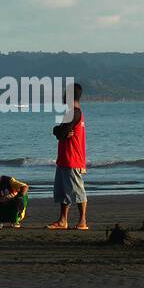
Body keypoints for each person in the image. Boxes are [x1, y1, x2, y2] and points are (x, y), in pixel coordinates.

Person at [48, 82, 88, 230]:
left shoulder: (74, 113)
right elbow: (60, 132)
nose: (63, 96)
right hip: (64, 158)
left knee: (77, 191)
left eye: (66, 94)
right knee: (63, 192)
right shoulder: (72, 113)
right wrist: (59, 131)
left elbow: (61, 132)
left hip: (72, 158)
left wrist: (59, 131)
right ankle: (62, 220)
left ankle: (83, 220)